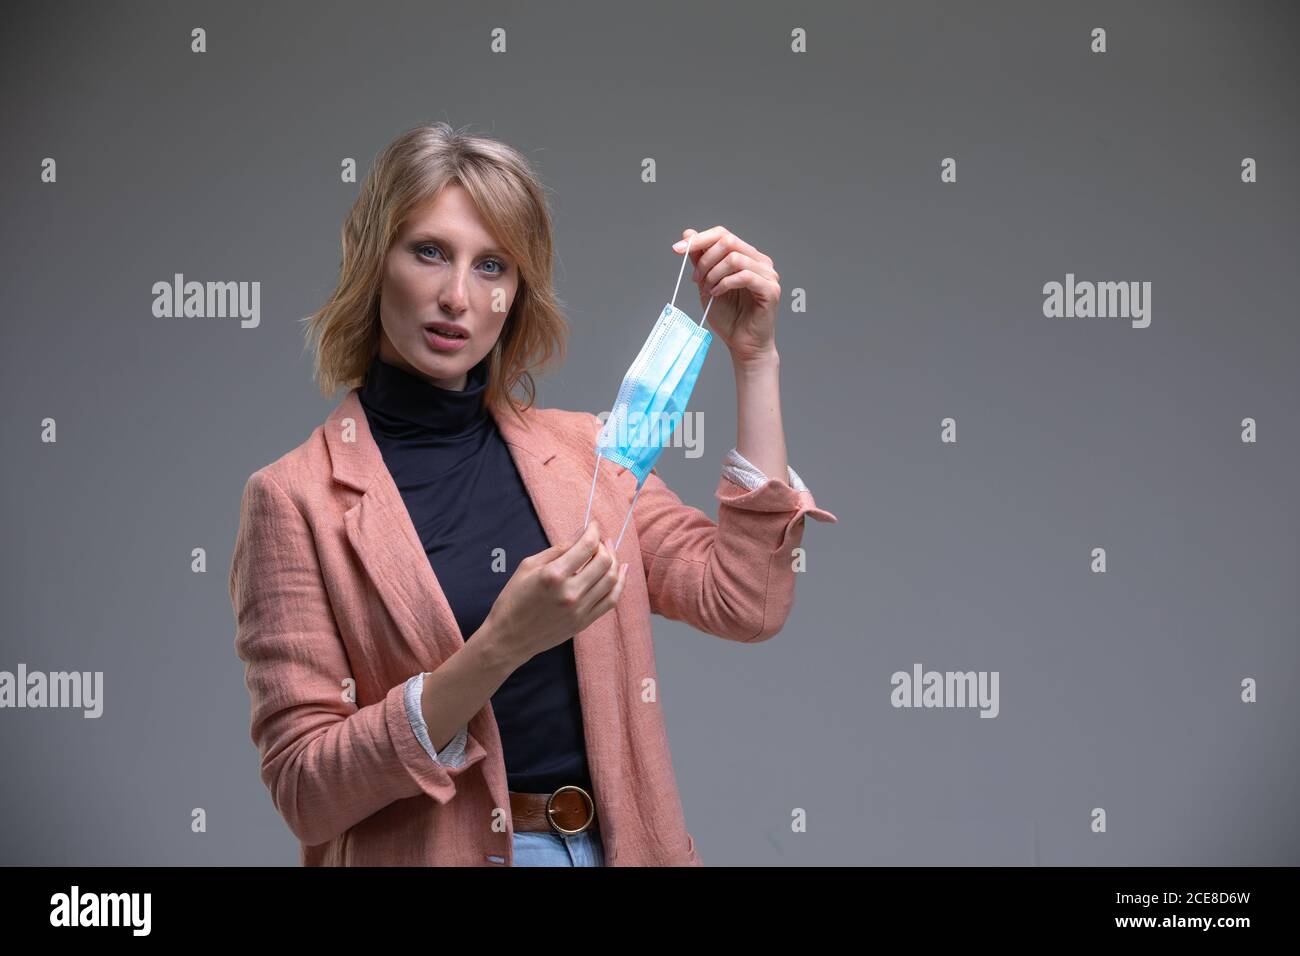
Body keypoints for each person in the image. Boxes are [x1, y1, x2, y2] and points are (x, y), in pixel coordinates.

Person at [227, 122, 837, 867]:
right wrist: (499, 647)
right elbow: (305, 789)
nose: (458, 295)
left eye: (492, 267)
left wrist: (755, 359)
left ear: (515, 295)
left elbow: (744, 601)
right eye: (429, 252)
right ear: (372, 262)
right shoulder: (295, 501)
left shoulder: (585, 452)